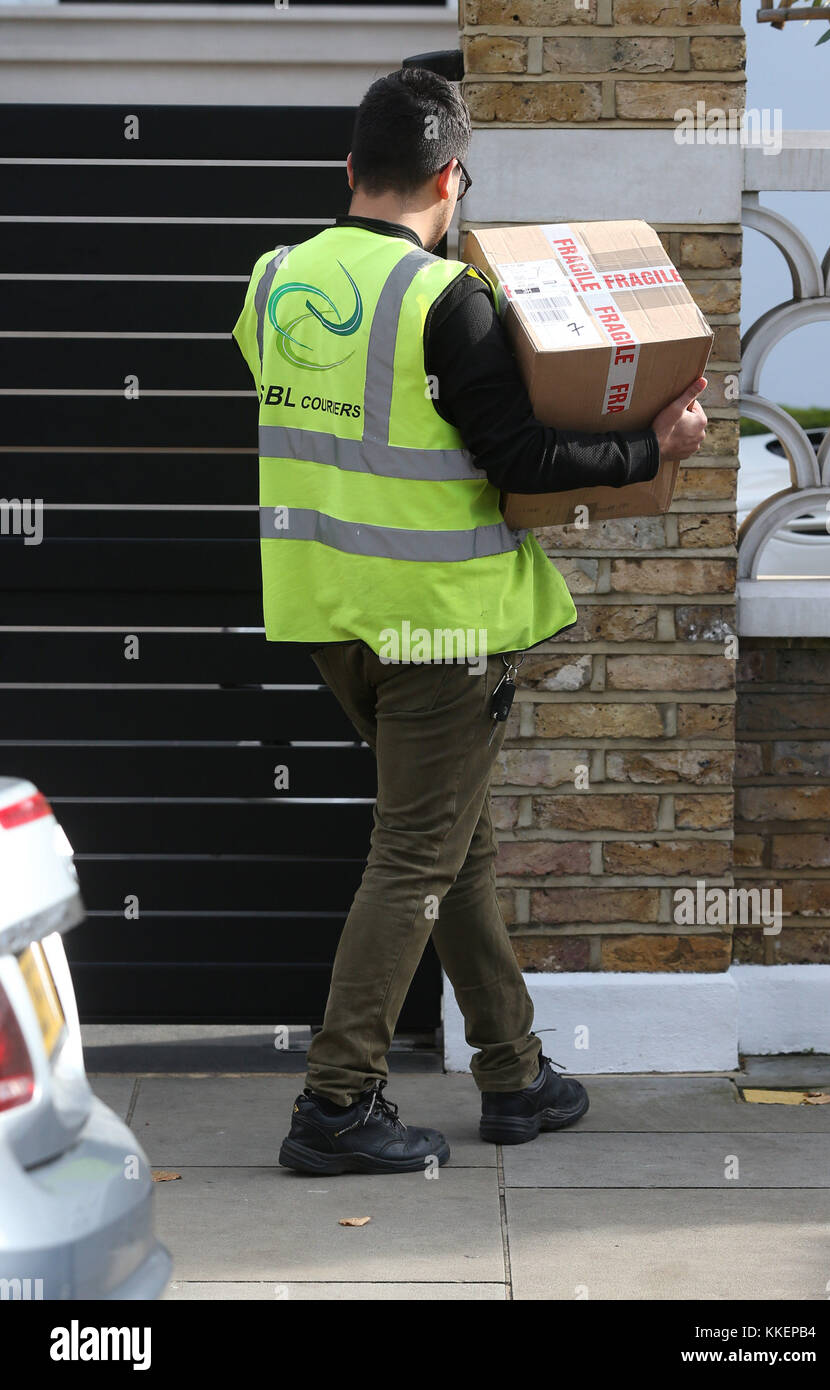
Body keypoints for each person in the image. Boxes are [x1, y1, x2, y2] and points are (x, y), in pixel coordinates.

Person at [232, 67, 707, 1176]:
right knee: (414, 857)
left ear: (350, 171)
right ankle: (334, 1104)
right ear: (451, 177)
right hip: (438, 627)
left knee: (456, 848)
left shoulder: (271, 283)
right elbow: (522, 459)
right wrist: (653, 449)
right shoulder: (449, 301)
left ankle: (513, 1072)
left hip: (326, 616)